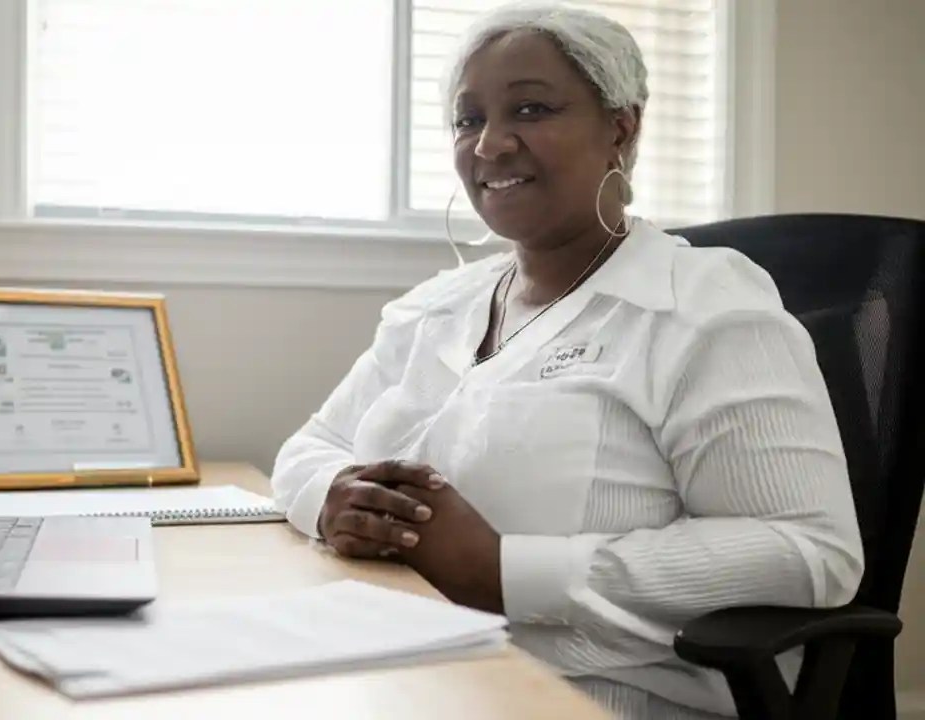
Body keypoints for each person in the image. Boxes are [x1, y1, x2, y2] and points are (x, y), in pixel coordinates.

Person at [269, 3, 863, 718]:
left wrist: (505, 571)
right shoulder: (437, 307)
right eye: (467, 120)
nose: (489, 145)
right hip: (404, 673)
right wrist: (334, 498)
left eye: (530, 108)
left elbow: (812, 551)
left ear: (621, 125)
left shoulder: (703, 307)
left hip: (593, 695)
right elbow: (309, 448)